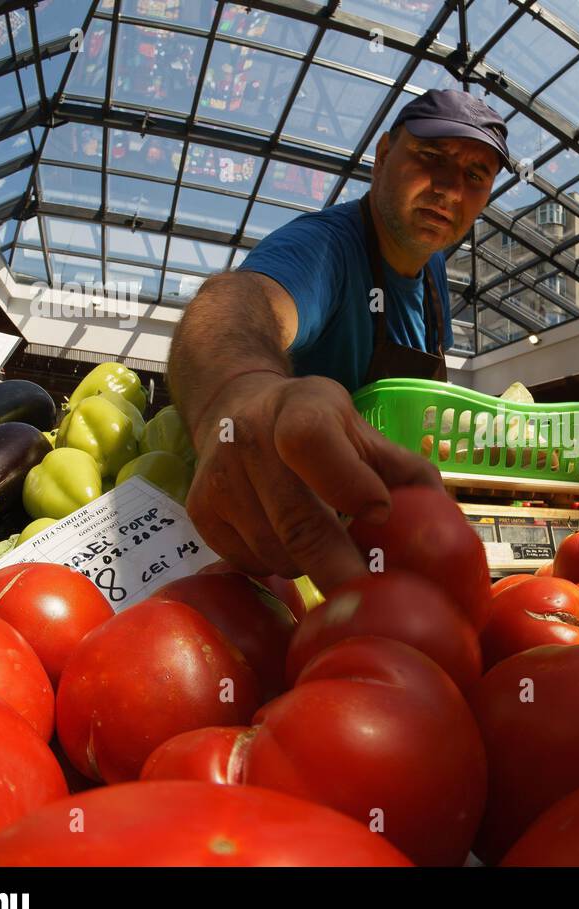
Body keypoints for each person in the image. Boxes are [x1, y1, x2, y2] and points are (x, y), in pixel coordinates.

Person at [167, 90, 512, 592]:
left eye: (475, 176)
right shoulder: (325, 246)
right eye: (431, 158)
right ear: (382, 157)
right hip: (275, 541)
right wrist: (237, 394)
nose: (450, 190)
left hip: (376, 534)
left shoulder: (435, 269)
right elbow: (232, 305)